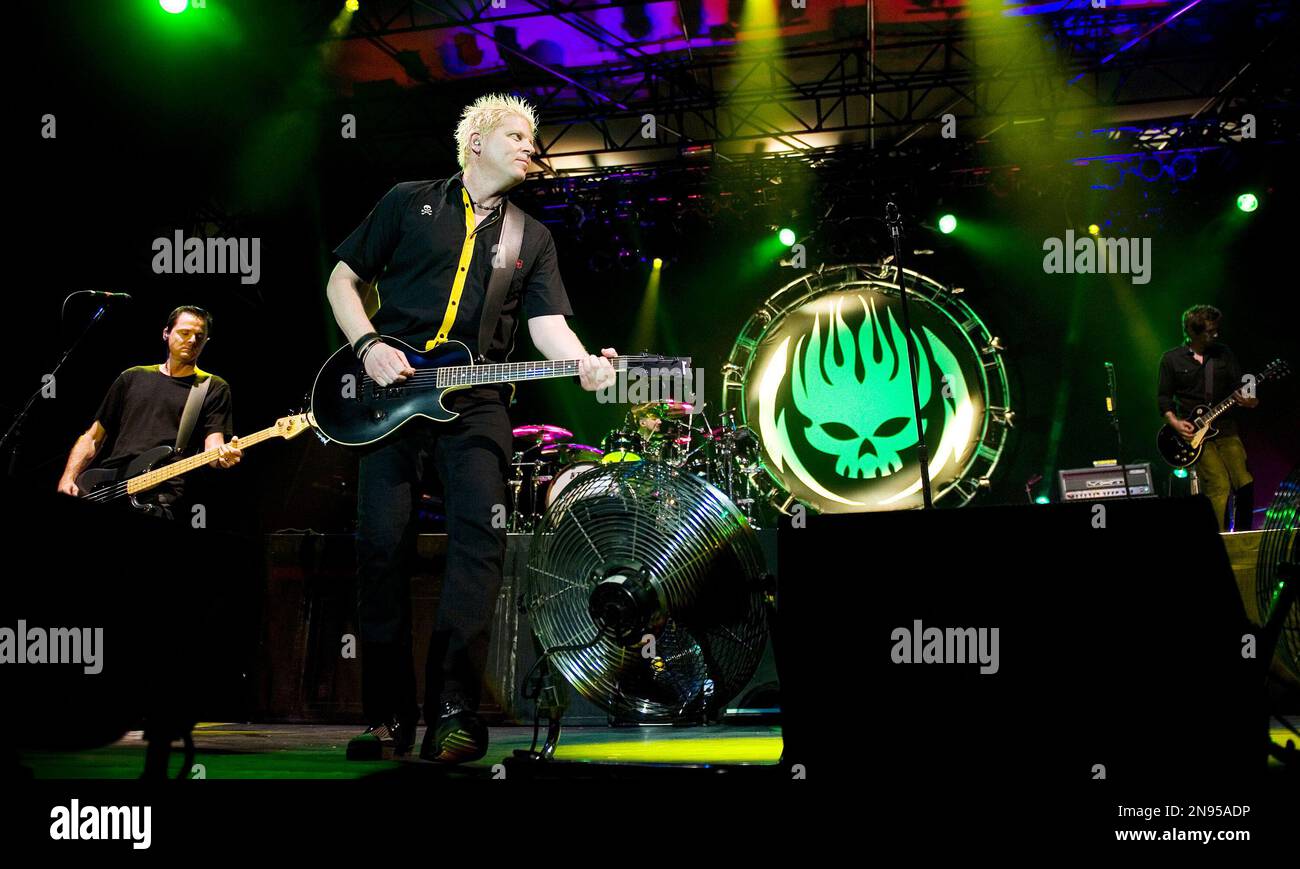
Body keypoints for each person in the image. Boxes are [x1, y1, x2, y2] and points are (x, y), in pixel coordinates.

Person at [325, 93, 617, 762]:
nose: (529, 145)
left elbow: (546, 326)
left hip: (477, 396)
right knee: (380, 548)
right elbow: (343, 279)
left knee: (479, 549)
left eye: (532, 137)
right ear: (476, 142)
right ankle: (390, 717)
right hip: (392, 397)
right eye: (516, 134)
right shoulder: (407, 201)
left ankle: (454, 710)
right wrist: (368, 344)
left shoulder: (531, 238)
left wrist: (582, 365)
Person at [56, 305, 241, 519]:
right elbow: (92, 437)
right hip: (105, 486)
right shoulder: (132, 377)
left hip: (159, 497)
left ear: (206, 342)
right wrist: (68, 477)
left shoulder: (213, 387)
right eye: (184, 333)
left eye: (199, 336)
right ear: (166, 333)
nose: (192, 341)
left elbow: (214, 447)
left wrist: (223, 457)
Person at [1157, 304, 1258, 531]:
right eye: (1209, 332)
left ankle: (1243, 536)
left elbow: (1244, 385)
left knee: (1244, 481)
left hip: (1226, 428)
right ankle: (1221, 539)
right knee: (1219, 485)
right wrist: (1175, 423)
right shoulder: (1171, 360)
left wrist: (1251, 400)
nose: (1215, 335)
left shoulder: (1224, 353)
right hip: (1195, 437)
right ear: (1192, 332)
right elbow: (1164, 399)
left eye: (1216, 330)